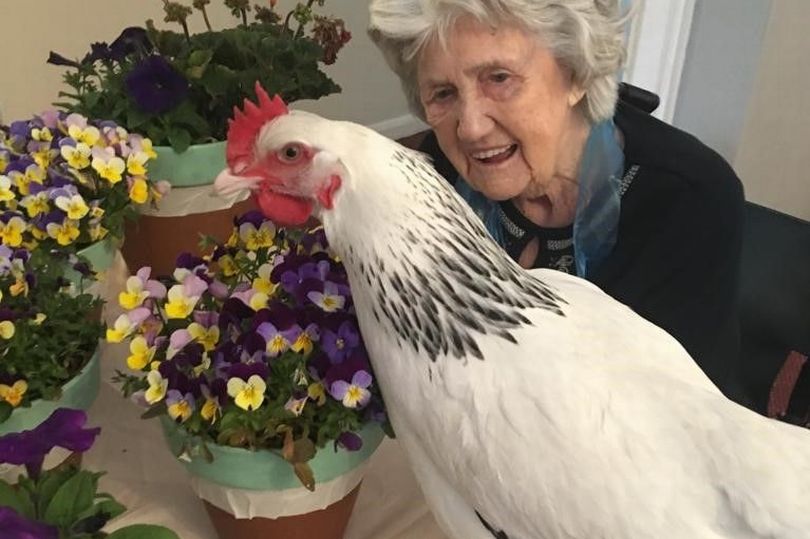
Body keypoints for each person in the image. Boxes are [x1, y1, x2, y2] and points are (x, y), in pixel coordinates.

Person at [368, 0, 748, 404]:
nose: (471, 127)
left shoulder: (687, 199)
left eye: (499, 78)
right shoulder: (438, 173)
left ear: (575, 74)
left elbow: (683, 414)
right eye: (443, 93)